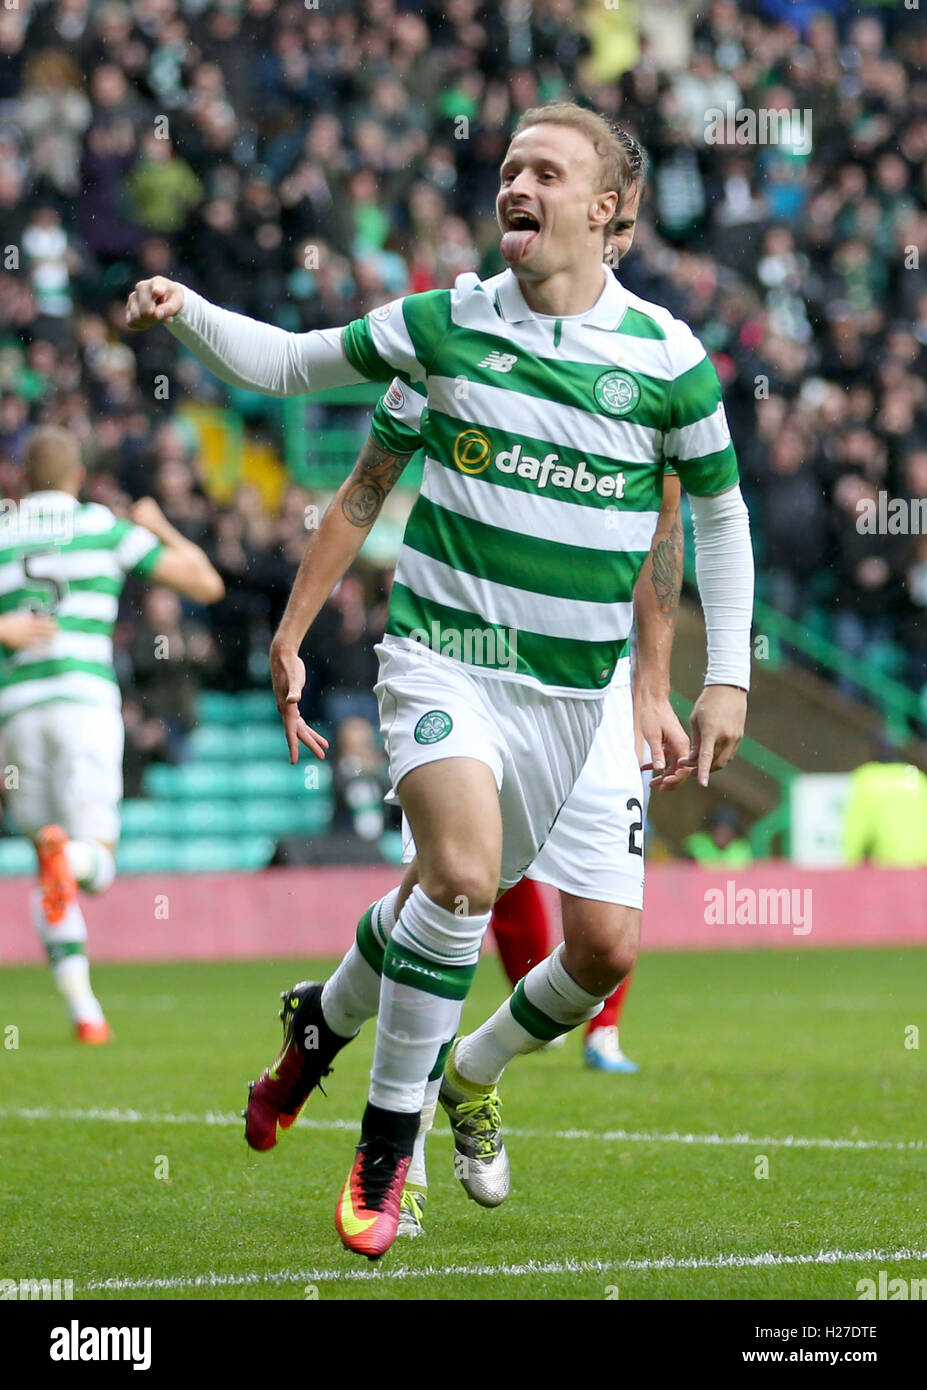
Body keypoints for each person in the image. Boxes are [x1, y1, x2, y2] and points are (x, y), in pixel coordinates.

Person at [127, 100, 753, 1259]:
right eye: (508, 167)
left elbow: (709, 515)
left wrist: (723, 683)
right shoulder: (447, 326)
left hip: (580, 694)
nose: (516, 184)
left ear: (608, 209)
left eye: (546, 171)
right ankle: (385, 1147)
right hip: (444, 657)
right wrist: (187, 308)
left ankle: (391, 1043)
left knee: (596, 944)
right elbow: (296, 368)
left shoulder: (667, 360)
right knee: (459, 879)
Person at [0, 426, 224, 1041]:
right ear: (76, 476)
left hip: (16, 714)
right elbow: (206, 584)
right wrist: (159, 526)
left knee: (50, 871)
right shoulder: (101, 525)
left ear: (21, 479)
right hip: (83, 704)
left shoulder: (2, 531)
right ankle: (65, 858)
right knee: (93, 861)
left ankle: (86, 1013)